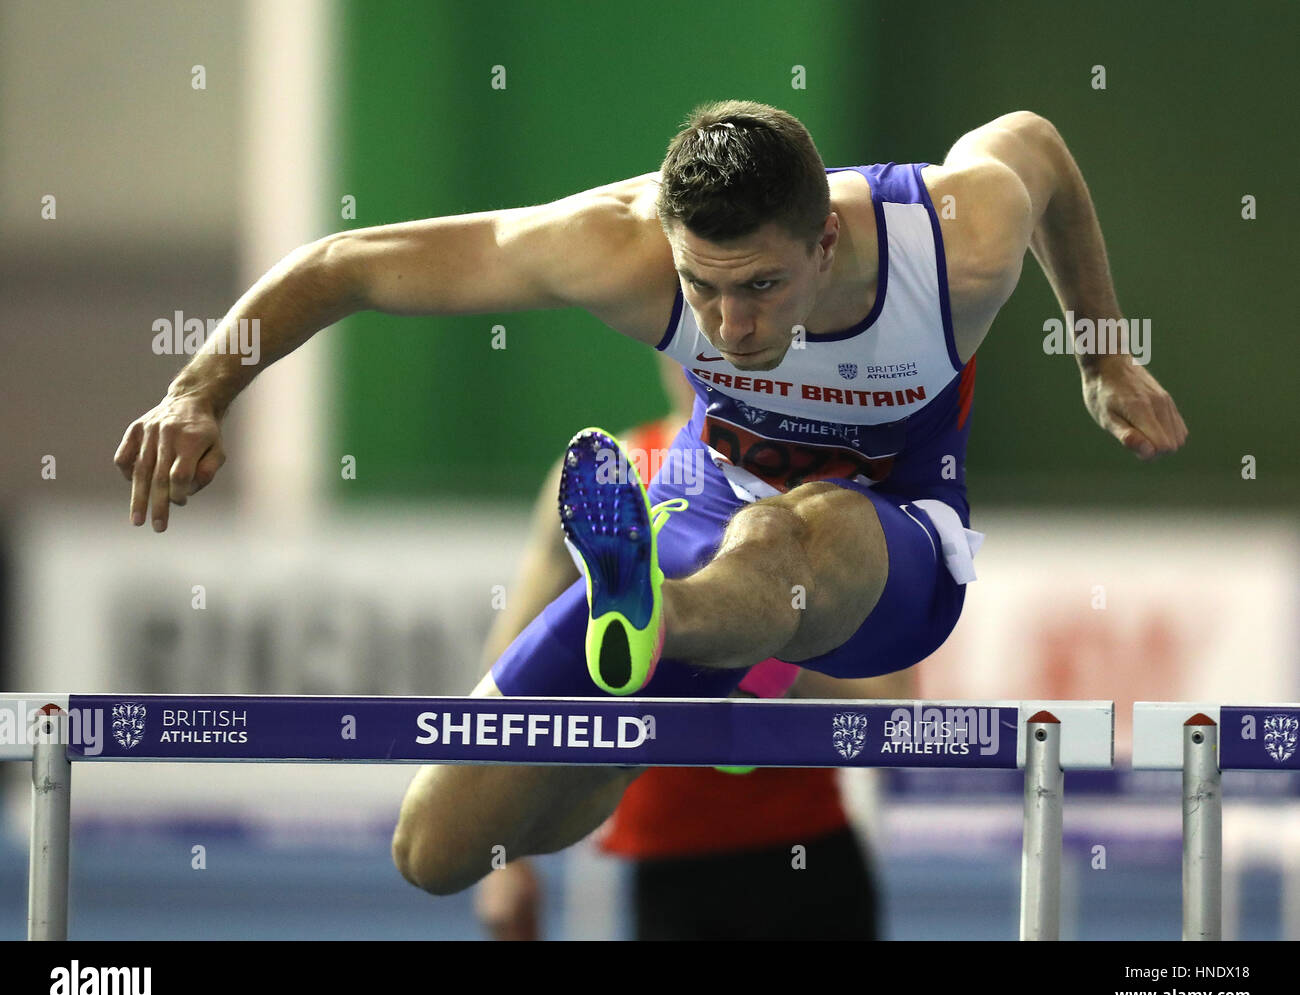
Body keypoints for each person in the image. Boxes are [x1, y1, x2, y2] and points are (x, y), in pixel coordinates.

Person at [114, 102, 1188, 898]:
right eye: (702, 285)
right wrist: (198, 389)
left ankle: (655, 623)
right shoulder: (617, 243)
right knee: (437, 848)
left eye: (762, 286)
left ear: (823, 243)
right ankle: (645, 677)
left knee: (789, 533)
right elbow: (351, 262)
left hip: (893, 539)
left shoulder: (956, 239)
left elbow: (1038, 145)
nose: (728, 324)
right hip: (697, 513)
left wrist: (1099, 353)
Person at [474, 357, 914, 940]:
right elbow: (504, 681)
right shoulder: (611, 479)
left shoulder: (821, 493)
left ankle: (670, 620)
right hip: (671, 868)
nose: (704, 367)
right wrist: (503, 858)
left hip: (808, 856)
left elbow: (891, 706)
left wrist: (763, 648)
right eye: (686, 344)